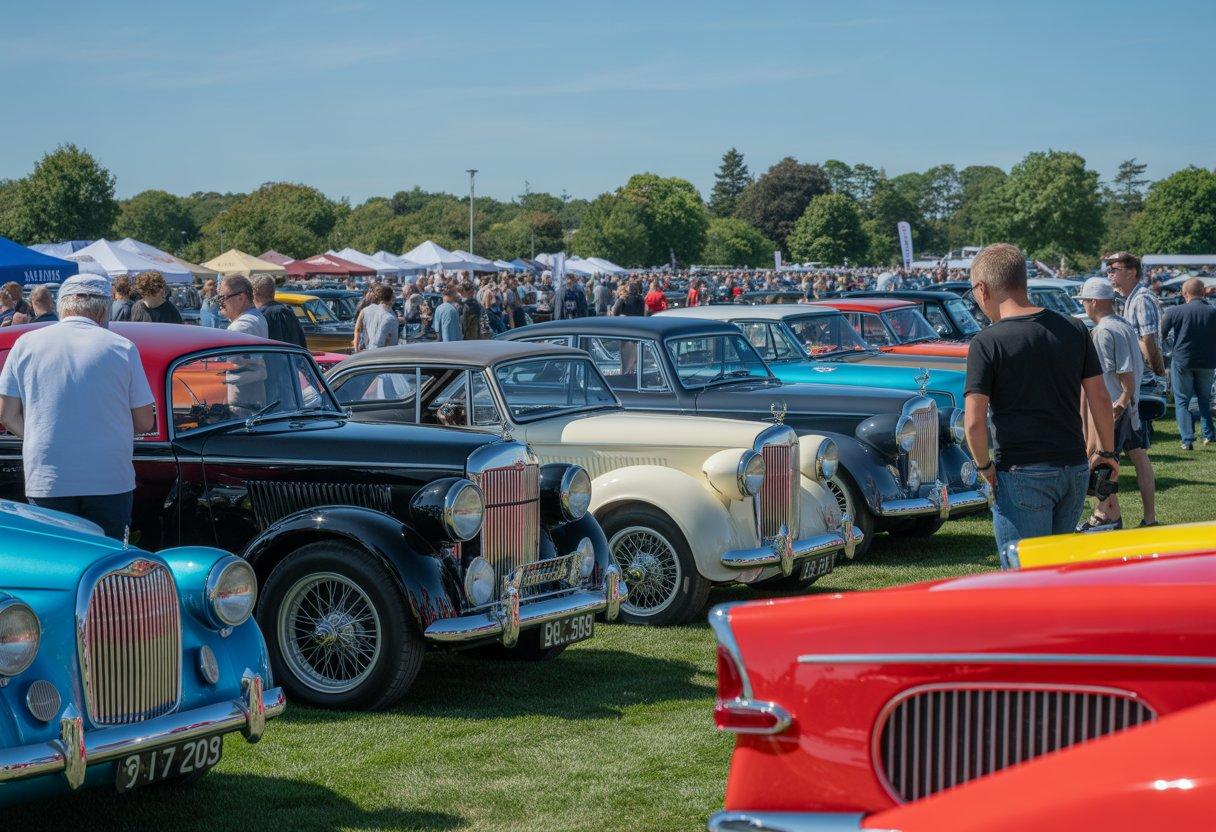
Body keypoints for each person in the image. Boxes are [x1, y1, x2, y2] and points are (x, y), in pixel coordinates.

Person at [962, 244, 1118, 566]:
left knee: (1024, 580)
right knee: (1059, 574)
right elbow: (1100, 397)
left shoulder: (986, 342)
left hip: (1021, 471)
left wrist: (983, 466)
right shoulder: (1074, 328)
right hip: (1072, 468)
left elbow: (974, 421)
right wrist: (1107, 452)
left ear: (982, 289)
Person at [0, 273, 155, 539]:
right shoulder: (122, 347)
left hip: (48, 475)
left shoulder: (25, 344)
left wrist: (42, 432)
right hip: (109, 476)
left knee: (55, 563)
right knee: (106, 565)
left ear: (62, 306)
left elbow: (6, 413)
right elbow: (144, 421)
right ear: (103, 309)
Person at [1076, 276, 1155, 530]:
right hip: (1129, 406)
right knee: (1139, 459)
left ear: (1095, 302)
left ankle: (1106, 516)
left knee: (1099, 459)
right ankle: (1148, 517)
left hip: (1112, 408)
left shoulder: (1102, 332)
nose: (1085, 307)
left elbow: (1117, 374)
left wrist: (1120, 400)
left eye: (1086, 301)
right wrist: (1128, 397)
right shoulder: (1124, 325)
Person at [1105, 252, 1163, 448]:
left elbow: (1148, 340)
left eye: (1114, 269)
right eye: (1108, 270)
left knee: (1137, 440)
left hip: (1144, 376)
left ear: (1131, 272)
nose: (1109, 274)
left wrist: (1159, 373)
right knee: (1134, 440)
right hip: (1136, 375)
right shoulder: (1130, 298)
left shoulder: (1141, 299)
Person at [1160, 276, 1216, 450]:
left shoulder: (1174, 311)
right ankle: (1209, 435)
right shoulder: (1213, 311)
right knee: (1204, 399)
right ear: (1203, 292)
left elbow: (1161, 335)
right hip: (1207, 361)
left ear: (1185, 293)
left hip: (1182, 360)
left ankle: (1187, 439)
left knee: (1182, 400)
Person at [251, 274, 307, 348]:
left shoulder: (259, 317)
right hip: (294, 358)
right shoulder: (288, 312)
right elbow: (302, 342)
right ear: (274, 292)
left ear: (253, 294)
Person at [356, 283, 400, 351]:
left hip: (368, 352)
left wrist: (356, 348)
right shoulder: (389, 318)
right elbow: (378, 343)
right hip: (383, 355)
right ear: (391, 298)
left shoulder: (366, 310)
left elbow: (357, 329)